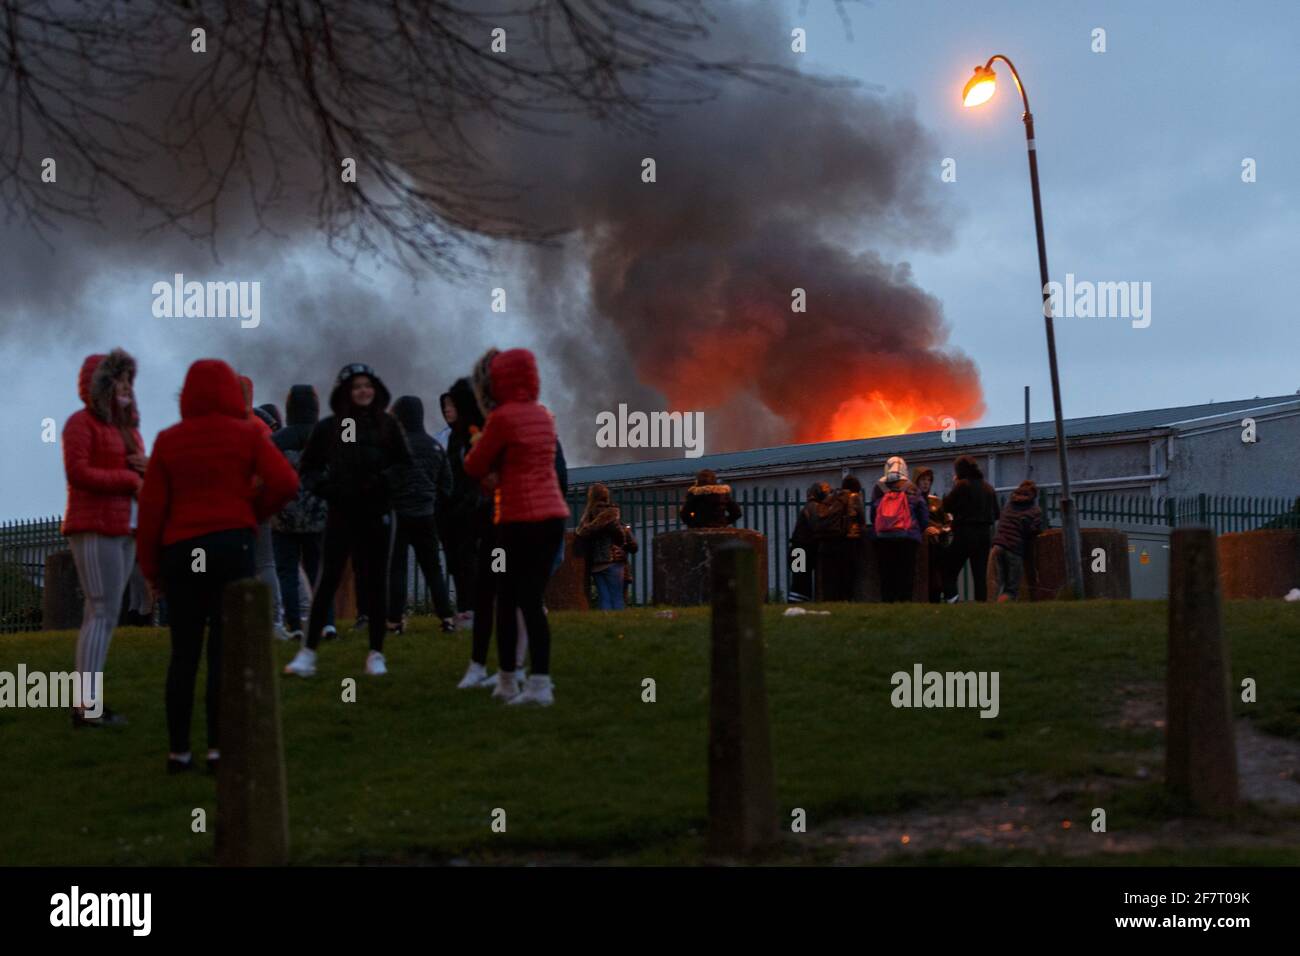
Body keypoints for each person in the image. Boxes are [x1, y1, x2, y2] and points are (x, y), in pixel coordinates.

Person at [136, 359, 298, 774]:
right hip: (231, 545)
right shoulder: (247, 435)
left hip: (182, 551)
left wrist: (152, 571)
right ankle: (217, 749)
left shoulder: (168, 441)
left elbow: (151, 512)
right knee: (224, 652)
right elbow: (285, 482)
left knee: (184, 653)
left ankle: (177, 752)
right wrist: (250, 513)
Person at [283, 363, 411, 678]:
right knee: (327, 579)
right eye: (356, 387)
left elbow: (404, 466)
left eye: (367, 385)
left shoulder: (388, 426)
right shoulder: (328, 428)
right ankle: (308, 654)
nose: (363, 391)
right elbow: (309, 469)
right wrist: (329, 490)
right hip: (341, 513)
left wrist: (383, 484)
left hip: (377, 513)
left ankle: (376, 653)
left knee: (375, 582)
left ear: (376, 388)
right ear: (345, 392)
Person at [463, 348, 568, 706]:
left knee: (507, 599)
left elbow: (474, 465)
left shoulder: (502, 418)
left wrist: (485, 458)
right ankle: (540, 683)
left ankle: (509, 680)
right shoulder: (544, 416)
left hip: (518, 518)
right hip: (552, 515)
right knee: (532, 601)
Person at [61, 349, 145, 727]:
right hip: (95, 526)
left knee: (103, 614)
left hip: (124, 526)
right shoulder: (80, 423)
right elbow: (78, 472)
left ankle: (86, 701)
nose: (127, 387)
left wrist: (147, 469)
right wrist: (130, 479)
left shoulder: (127, 428)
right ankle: (86, 706)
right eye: (120, 379)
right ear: (103, 385)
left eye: (130, 379)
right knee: (102, 611)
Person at [387, 395, 456, 633]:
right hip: (427, 515)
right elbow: (447, 484)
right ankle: (447, 618)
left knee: (396, 568)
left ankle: (395, 620)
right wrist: (434, 504)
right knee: (433, 568)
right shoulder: (435, 446)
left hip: (399, 515)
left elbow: (384, 480)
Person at [271, 384, 334, 641]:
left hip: (283, 517)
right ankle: (327, 624)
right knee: (319, 571)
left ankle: (295, 625)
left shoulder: (276, 441)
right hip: (318, 518)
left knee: (286, 572)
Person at [239, 376, 288, 639]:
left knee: (243, 566)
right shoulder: (260, 426)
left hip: (234, 510)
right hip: (259, 507)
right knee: (266, 564)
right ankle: (274, 621)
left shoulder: (225, 426)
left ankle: (244, 620)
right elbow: (277, 473)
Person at [441, 377, 486, 622]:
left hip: (478, 508)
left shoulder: (479, 431)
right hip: (458, 512)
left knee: (482, 560)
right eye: (445, 405)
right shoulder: (452, 438)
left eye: (452, 404)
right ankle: (466, 607)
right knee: (460, 562)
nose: (447, 409)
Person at [869, 456, 930, 603]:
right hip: (907, 536)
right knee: (906, 572)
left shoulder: (879, 487)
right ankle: (905, 601)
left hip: (883, 537)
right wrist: (918, 530)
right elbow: (923, 514)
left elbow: (873, 514)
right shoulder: (911, 487)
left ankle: (888, 601)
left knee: (886, 573)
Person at [942, 455, 1000, 602]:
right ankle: (981, 604)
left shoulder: (962, 485)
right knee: (979, 575)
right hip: (984, 535)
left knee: (949, 569)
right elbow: (997, 513)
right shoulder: (988, 488)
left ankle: (952, 600)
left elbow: (946, 505)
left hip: (964, 534)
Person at [575, 483, 631, 610]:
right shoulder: (610, 512)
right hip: (612, 560)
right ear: (606, 496)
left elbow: (582, 534)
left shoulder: (587, 516)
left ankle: (605, 622)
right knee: (617, 596)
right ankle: (618, 623)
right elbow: (619, 534)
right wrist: (621, 544)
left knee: (604, 596)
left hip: (596, 563)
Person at [990, 480, 1045, 601]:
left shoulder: (1009, 505)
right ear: (1034, 494)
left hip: (997, 546)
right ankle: (1002, 608)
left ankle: (989, 608)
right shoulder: (1034, 510)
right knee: (1011, 589)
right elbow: (1034, 531)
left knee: (994, 584)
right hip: (1014, 549)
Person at [815, 476, 867, 601]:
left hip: (828, 542)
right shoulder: (854, 497)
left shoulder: (831, 496)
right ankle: (846, 600)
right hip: (848, 541)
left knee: (831, 576)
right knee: (847, 574)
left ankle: (830, 601)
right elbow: (861, 519)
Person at [913, 467, 951, 603]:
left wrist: (939, 530)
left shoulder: (936, 502)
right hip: (920, 546)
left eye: (928, 480)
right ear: (916, 481)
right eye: (923, 480)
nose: (926, 483)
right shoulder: (911, 501)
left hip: (937, 546)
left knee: (937, 579)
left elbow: (949, 523)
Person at [788, 482, 830, 602]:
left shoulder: (810, 506)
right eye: (825, 491)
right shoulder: (813, 507)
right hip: (801, 550)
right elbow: (816, 526)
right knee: (801, 581)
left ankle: (797, 603)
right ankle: (797, 603)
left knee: (800, 580)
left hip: (798, 549)